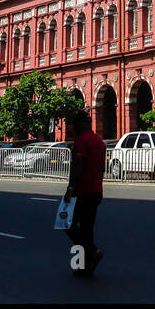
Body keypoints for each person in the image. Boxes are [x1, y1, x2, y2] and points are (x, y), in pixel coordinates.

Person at [63, 110, 105, 276]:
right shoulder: (99, 142)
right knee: (87, 229)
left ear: (81, 124)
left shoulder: (81, 141)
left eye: (74, 125)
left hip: (82, 192)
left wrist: (70, 188)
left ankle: (91, 251)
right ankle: (83, 267)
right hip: (97, 191)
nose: (73, 128)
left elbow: (78, 167)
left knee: (68, 224)